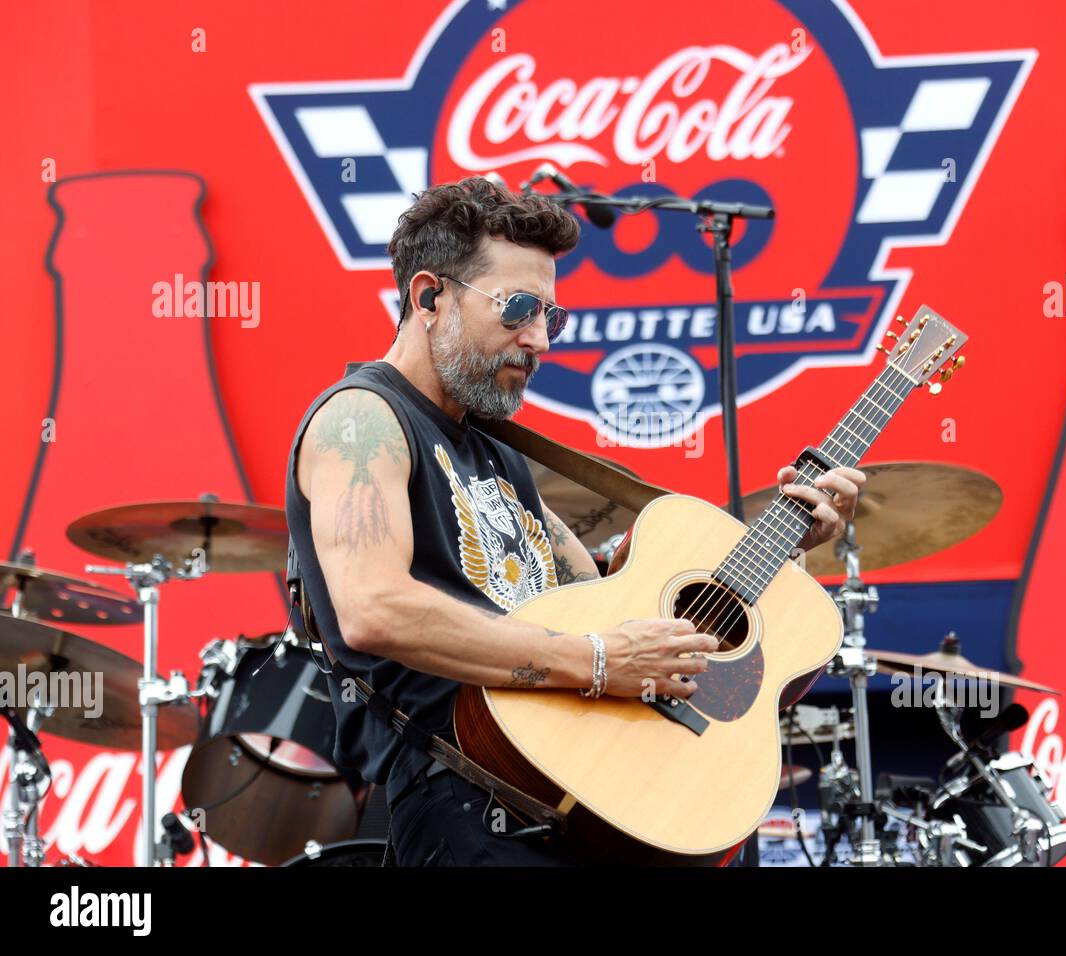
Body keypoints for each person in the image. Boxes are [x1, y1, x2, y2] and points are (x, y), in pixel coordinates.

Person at [284, 177, 865, 865]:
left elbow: (610, 590)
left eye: (550, 317)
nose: (539, 339)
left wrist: (782, 541)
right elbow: (374, 609)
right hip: (467, 804)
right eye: (519, 308)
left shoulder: (497, 453)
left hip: (573, 795)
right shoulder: (362, 420)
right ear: (428, 298)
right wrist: (595, 662)